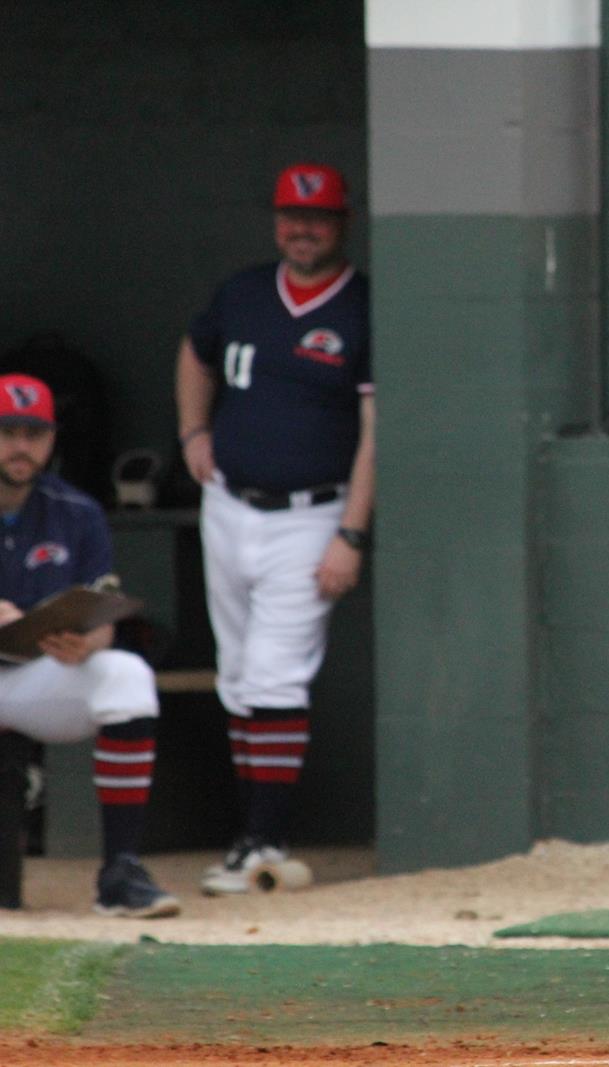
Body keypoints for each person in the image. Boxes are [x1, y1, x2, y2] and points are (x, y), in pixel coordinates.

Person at [174, 162, 374, 895]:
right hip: (228, 503)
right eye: (293, 214)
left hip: (311, 513)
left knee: (274, 673)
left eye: (318, 217)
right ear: (277, 218)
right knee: (237, 676)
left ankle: (264, 837)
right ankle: (252, 840)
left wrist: (350, 532)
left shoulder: (361, 305)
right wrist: (193, 433)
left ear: (341, 224)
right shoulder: (244, 292)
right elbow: (196, 354)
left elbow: (375, 426)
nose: (303, 227)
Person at [0, 374, 179, 917]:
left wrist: (88, 638)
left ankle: (120, 871)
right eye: (8, 432)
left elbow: (102, 605)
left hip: (30, 676)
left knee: (125, 674)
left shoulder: (75, 511)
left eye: (35, 433)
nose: (21, 447)